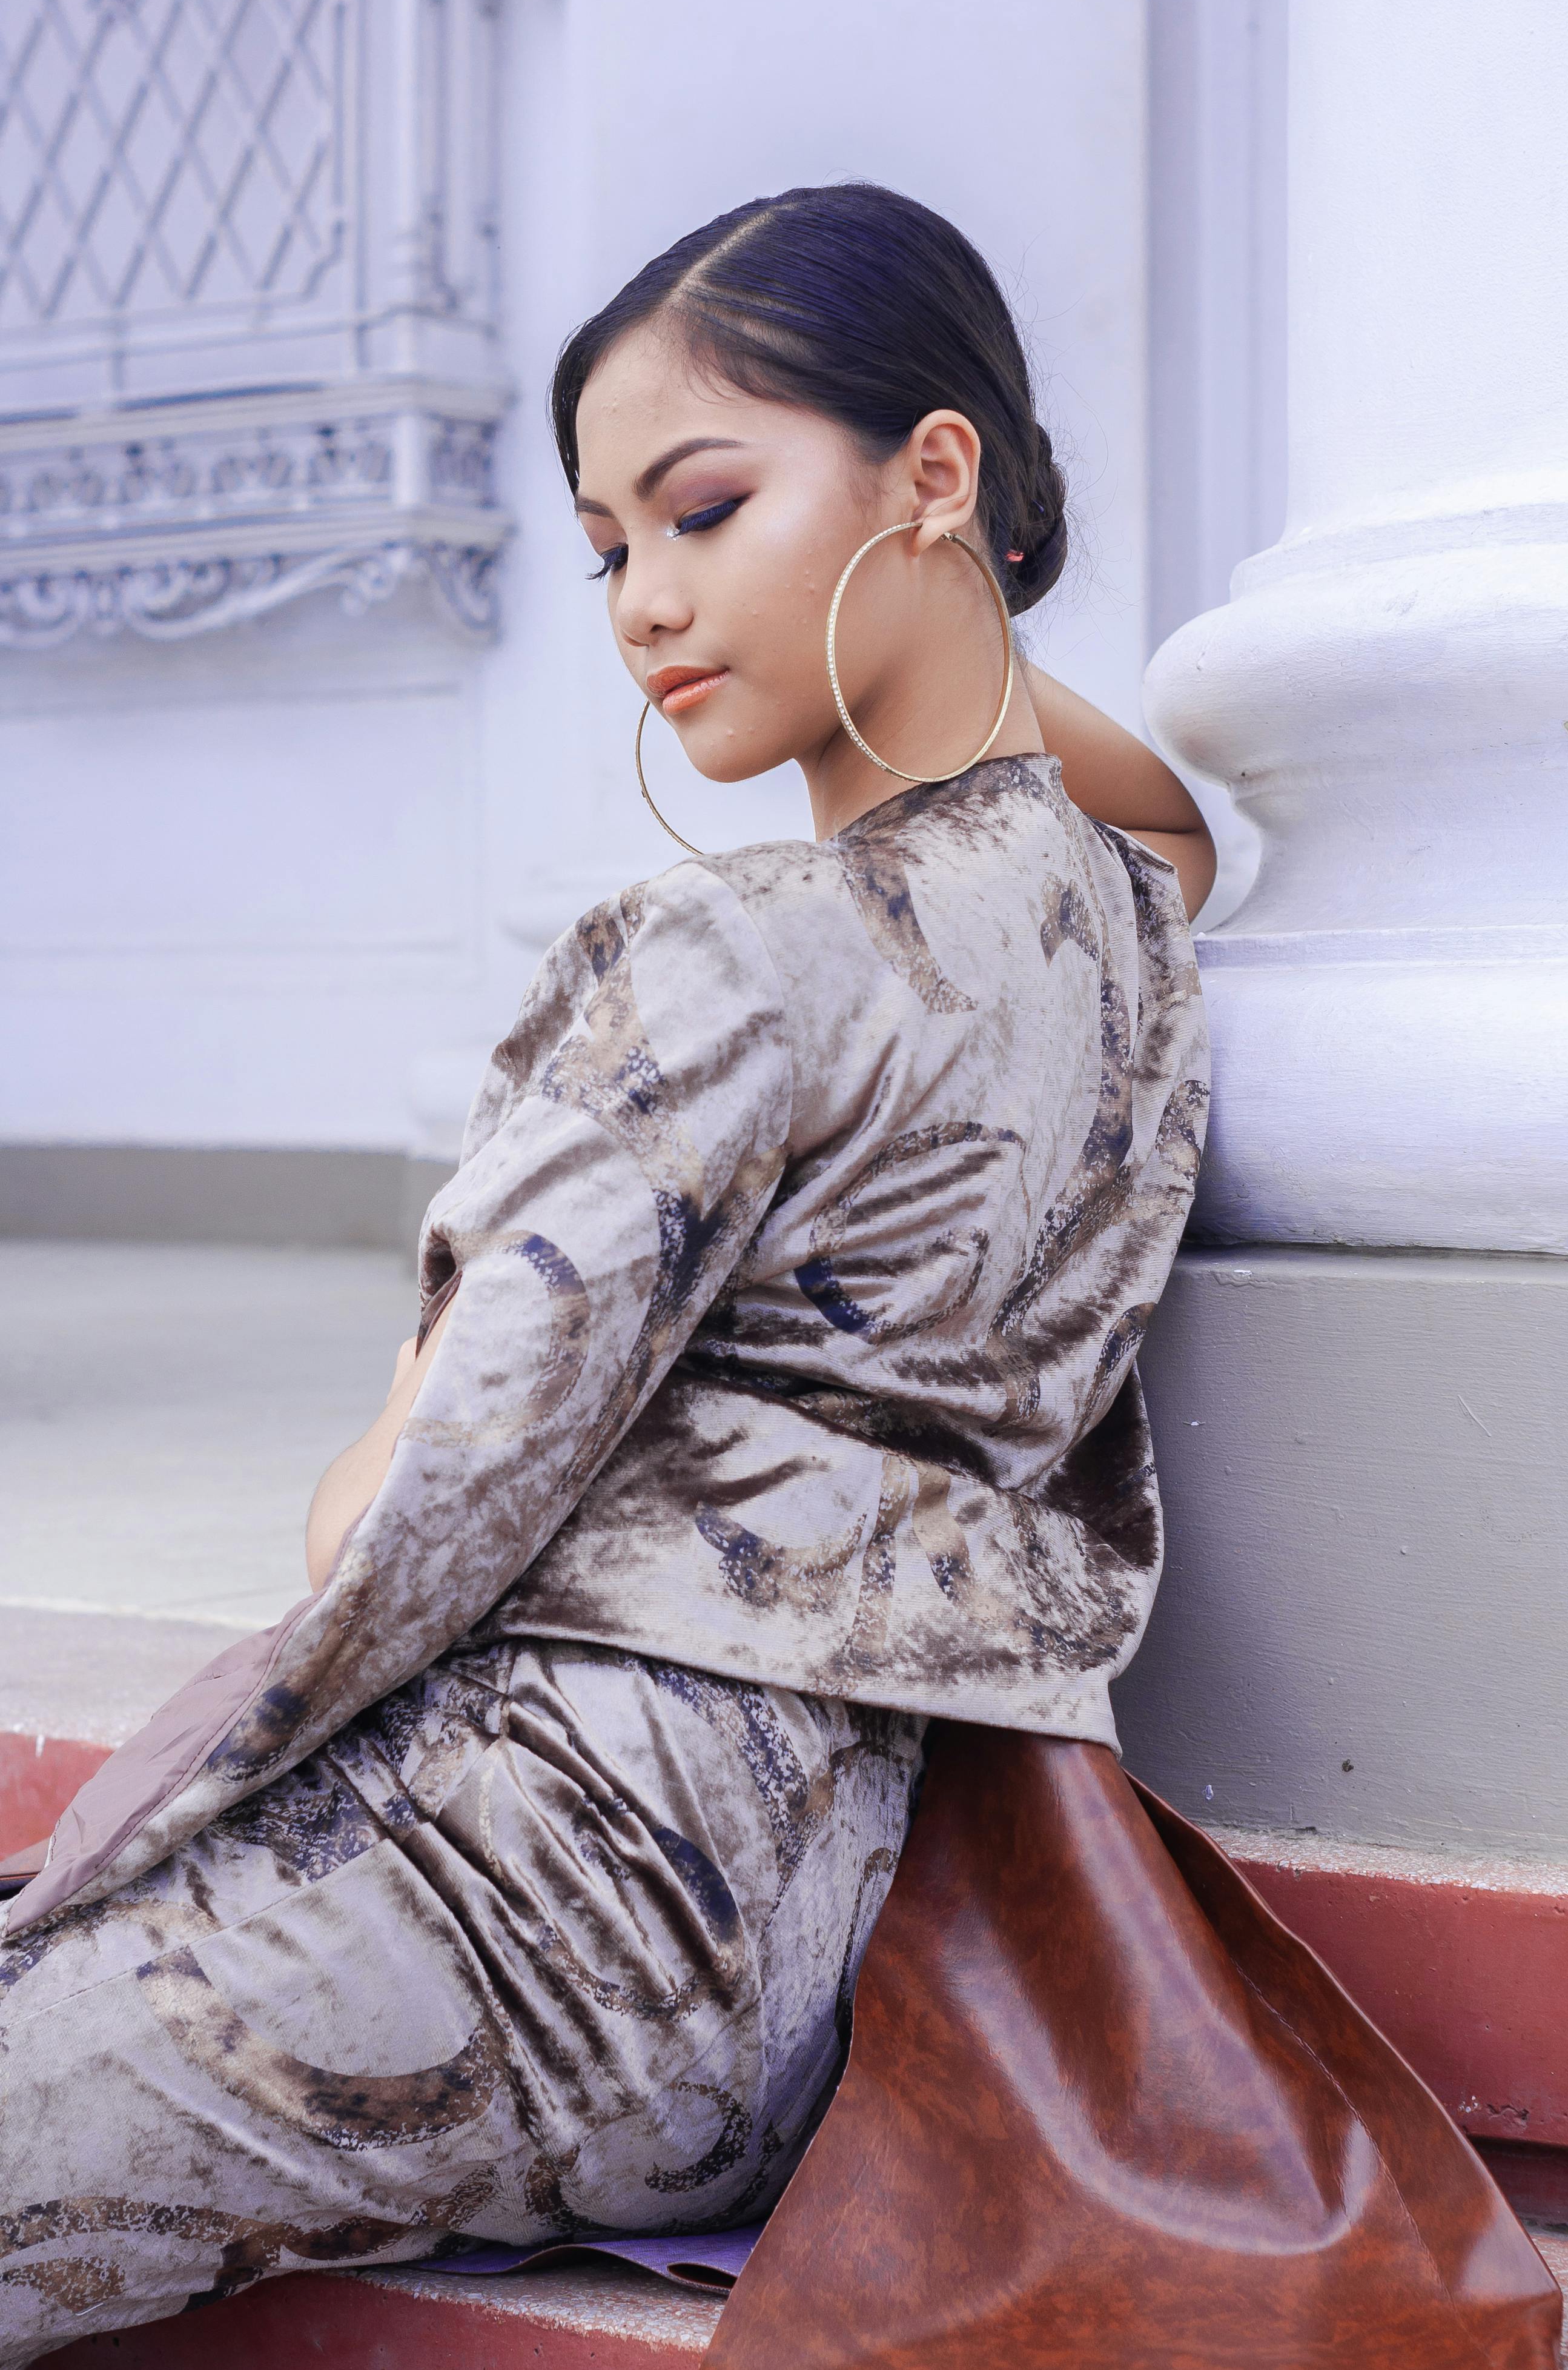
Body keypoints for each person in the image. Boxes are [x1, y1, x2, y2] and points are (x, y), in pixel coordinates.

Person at [0, 183, 1212, 2363]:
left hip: (555, 1898)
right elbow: (1157, 795)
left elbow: (384, 1530)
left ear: (931, 468)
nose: (648, 605)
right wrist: (957, 594)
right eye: (609, 550)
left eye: (704, 507)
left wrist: (445, 1315)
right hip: (846, 1930)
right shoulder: (1129, 919)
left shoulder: (718, 955)